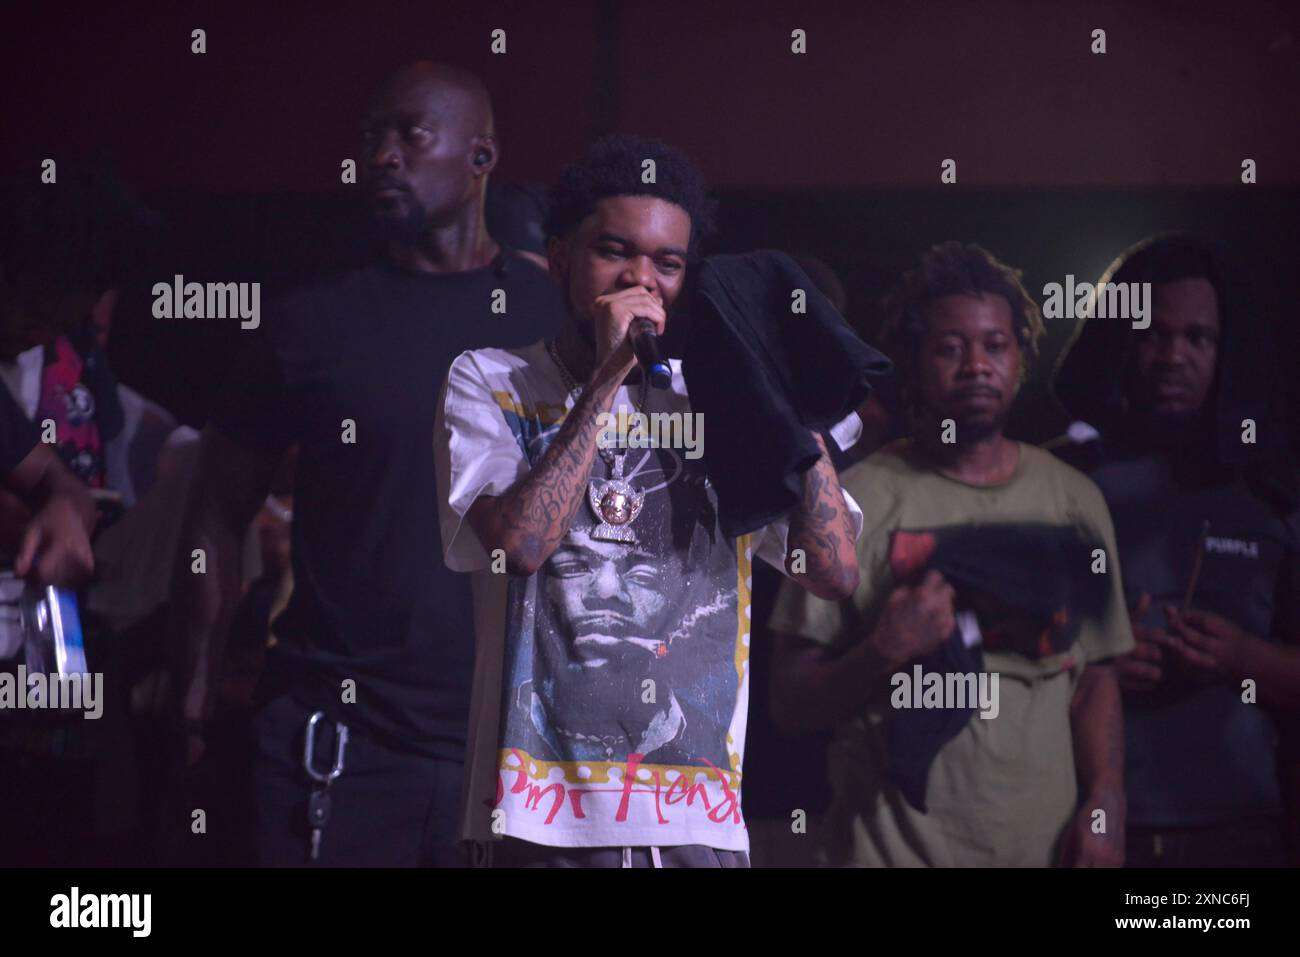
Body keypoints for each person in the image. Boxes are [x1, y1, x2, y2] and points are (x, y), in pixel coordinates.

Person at [168, 61, 564, 867]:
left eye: (412, 134)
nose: (382, 155)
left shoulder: (550, 318)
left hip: (515, 753)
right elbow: (214, 513)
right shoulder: (311, 324)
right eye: (371, 137)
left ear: (481, 157)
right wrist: (190, 702)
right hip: (336, 743)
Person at [436, 135, 862, 867]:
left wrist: (796, 399)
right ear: (562, 256)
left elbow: (832, 571)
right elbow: (522, 543)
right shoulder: (490, 380)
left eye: (667, 263)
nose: (642, 278)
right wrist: (607, 378)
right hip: (538, 825)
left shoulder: (718, 405)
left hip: (696, 825)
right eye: (615, 251)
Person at [768, 241, 1134, 867]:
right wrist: (882, 650)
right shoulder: (851, 501)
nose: (976, 366)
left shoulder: (1074, 499)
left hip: (1041, 851)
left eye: (996, 345)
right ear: (913, 361)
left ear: (1021, 358)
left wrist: (1105, 803)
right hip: (887, 852)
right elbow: (790, 703)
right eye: (949, 347)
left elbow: (1097, 676)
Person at [1051, 235, 1300, 866]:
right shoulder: (1054, 480)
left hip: (1243, 836)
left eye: (1198, 338)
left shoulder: (1275, 490)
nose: (1172, 357)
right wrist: (1094, 662)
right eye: (1151, 334)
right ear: (1118, 342)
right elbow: (981, 658)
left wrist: (1243, 657)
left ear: (1228, 349)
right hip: (1082, 832)